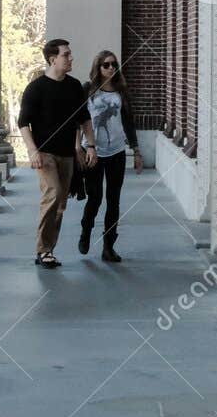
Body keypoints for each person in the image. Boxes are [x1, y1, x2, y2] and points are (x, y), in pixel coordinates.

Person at [18, 39, 97, 269]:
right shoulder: (36, 88)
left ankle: (48, 250)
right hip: (45, 153)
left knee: (61, 202)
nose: (71, 58)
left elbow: (84, 118)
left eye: (70, 54)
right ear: (53, 59)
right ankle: (43, 250)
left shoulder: (73, 87)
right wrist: (32, 151)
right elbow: (23, 123)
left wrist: (90, 146)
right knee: (52, 194)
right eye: (66, 55)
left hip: (67, 155)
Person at [77, 50, 144, 263]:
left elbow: (129, 122)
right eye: (106, 65)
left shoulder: (121, 91)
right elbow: (78, 119)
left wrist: (136, 150)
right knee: (95, 198)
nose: (111, 68)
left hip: (116, 152)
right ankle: (86, 232)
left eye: (114, 64)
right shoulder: (87, 89)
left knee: (113, 201)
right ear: (98, 67)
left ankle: (108, 246)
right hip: (93, 152)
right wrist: (78, 147)